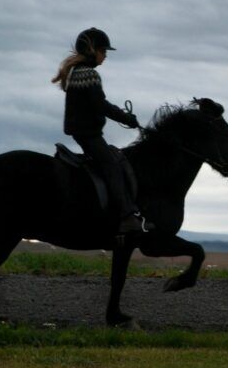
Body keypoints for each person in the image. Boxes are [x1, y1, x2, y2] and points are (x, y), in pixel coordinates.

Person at [52, 27, 153, 234]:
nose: (105, 55)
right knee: (112, 166)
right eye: (103, 51)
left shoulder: (76, 73)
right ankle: (126, 217)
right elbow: (101, 105)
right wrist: (127, 118)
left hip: (81, 132)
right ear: (92, 50)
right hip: (89, 134)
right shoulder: (90, 75)